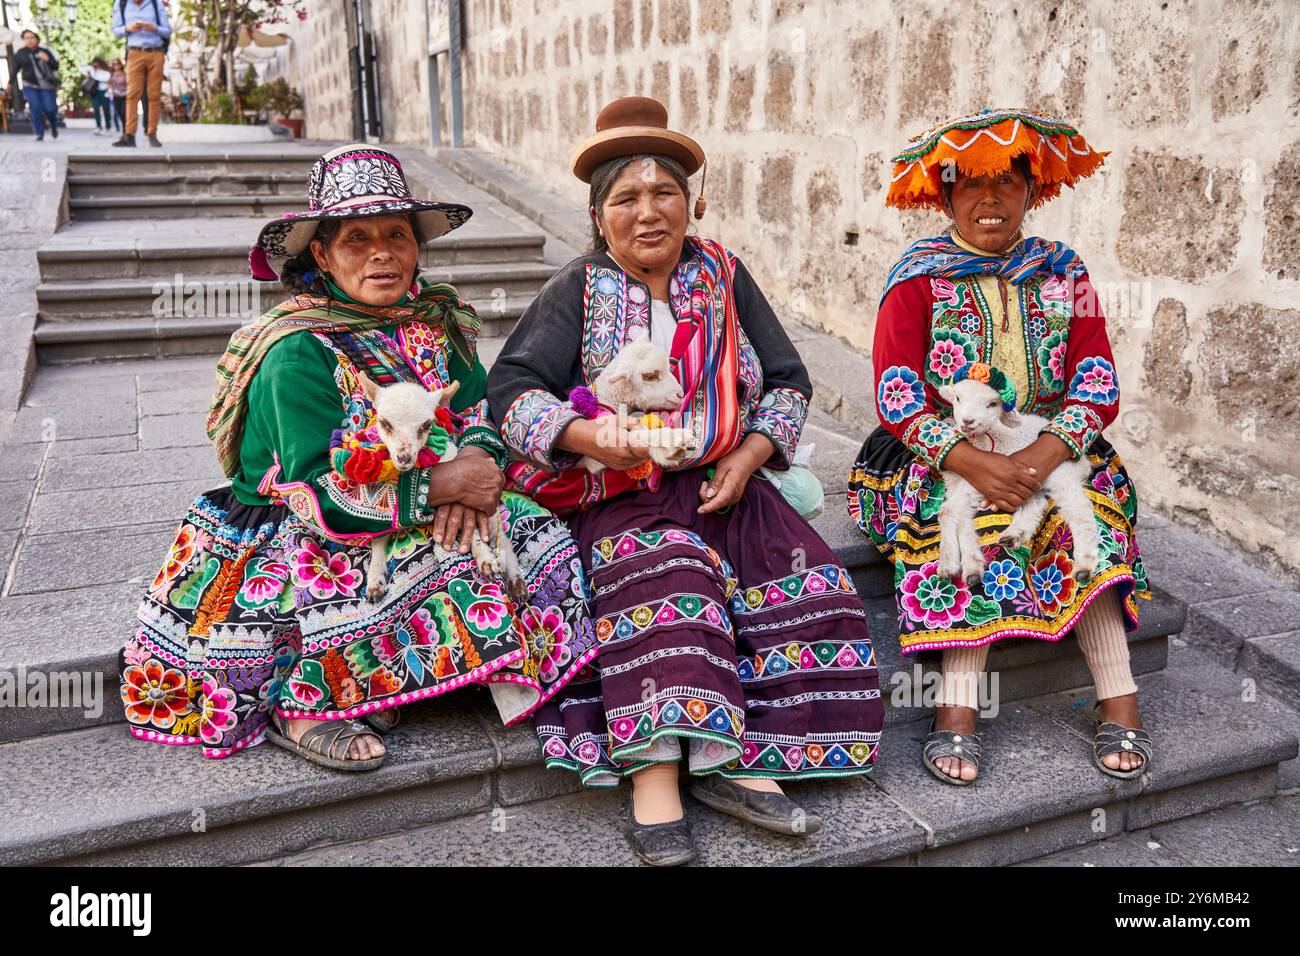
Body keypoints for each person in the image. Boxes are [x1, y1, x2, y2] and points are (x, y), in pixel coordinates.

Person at [488, 97, 885, 866]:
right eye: (625, 199)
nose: (648, 213)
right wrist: (590, 435)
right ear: (599, 216)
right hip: (622, 491)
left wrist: (749, 456)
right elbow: (513, 390)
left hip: (726, 485)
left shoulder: (726, 276)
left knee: (808, 581)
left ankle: (741, 758)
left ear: (692, 202)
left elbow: (790, 380)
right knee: (664, 576)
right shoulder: (576, 288)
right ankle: (657, 773)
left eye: (663, 192)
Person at [119, 145, 596, 771]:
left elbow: (480, 409)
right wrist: (440, 489)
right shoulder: (297, 349)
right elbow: (313, 487)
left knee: (533, 529)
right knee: (380, 564)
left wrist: (478, 465)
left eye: (397, 234)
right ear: (320, 253)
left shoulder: (432, 322)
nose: (382, 252)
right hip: (313, 518)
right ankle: (308, 704)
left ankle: (457, 670)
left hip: (425, 493)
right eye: (356, 238)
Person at [847, 107, 1154, 786]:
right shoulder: (918, 278)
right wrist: (973, 462)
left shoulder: (1063, 270)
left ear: (1031, 191)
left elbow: (1097, 378)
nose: (991, 199)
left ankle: (1120, 697)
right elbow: (897, 392)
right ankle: (957, 711)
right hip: (937, 451)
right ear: (948, 194)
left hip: (1051, 445)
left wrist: (1042, 454)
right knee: (970, 527)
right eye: (972, 185)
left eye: (1007, 184)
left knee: (1086, 522)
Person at [112, 0, 171, 147]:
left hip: (155, 52)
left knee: (154, 95)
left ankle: (152, 133)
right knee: (132, 95)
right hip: (134, 52)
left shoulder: (155, 3)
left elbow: (167, 30)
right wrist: (128, 28)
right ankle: (129, 135)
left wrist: (154, 28)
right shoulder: (122, 3)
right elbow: (116, 31)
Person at [11, 30, 60, 142]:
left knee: (50, 109)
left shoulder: (45, 51)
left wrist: (47, 59)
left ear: (37, 39)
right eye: (27, 38)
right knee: (36, 107)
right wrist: (10, 83)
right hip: (30, 85)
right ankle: (39, 133)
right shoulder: (21, 53)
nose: (29, 40)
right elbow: (15, 69)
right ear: (24, 39)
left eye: (32, 37)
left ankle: (53, 125)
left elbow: (56, 66)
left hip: (46, 85)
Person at [80, 57, 113, 136]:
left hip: (104, 92)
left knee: (106, 109)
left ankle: (108, 126)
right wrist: (90, 72)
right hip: (95, 92)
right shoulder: (92, 70)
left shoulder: (105, 72)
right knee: (96, 108)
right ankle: (98, 126)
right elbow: (81, 69)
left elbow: (107, 79)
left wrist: (95, 77)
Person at [108, 60, 127, 132]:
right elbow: (109, 84)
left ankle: (125, 127)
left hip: (124, 95)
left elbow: (128, 84)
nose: (116, 66)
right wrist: (112, 91)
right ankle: (123, 126)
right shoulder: (111, 74)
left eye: (118, 64)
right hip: (115, 95)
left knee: (123, 112)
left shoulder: (124, 74)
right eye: (115, 65)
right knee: (118, 112)